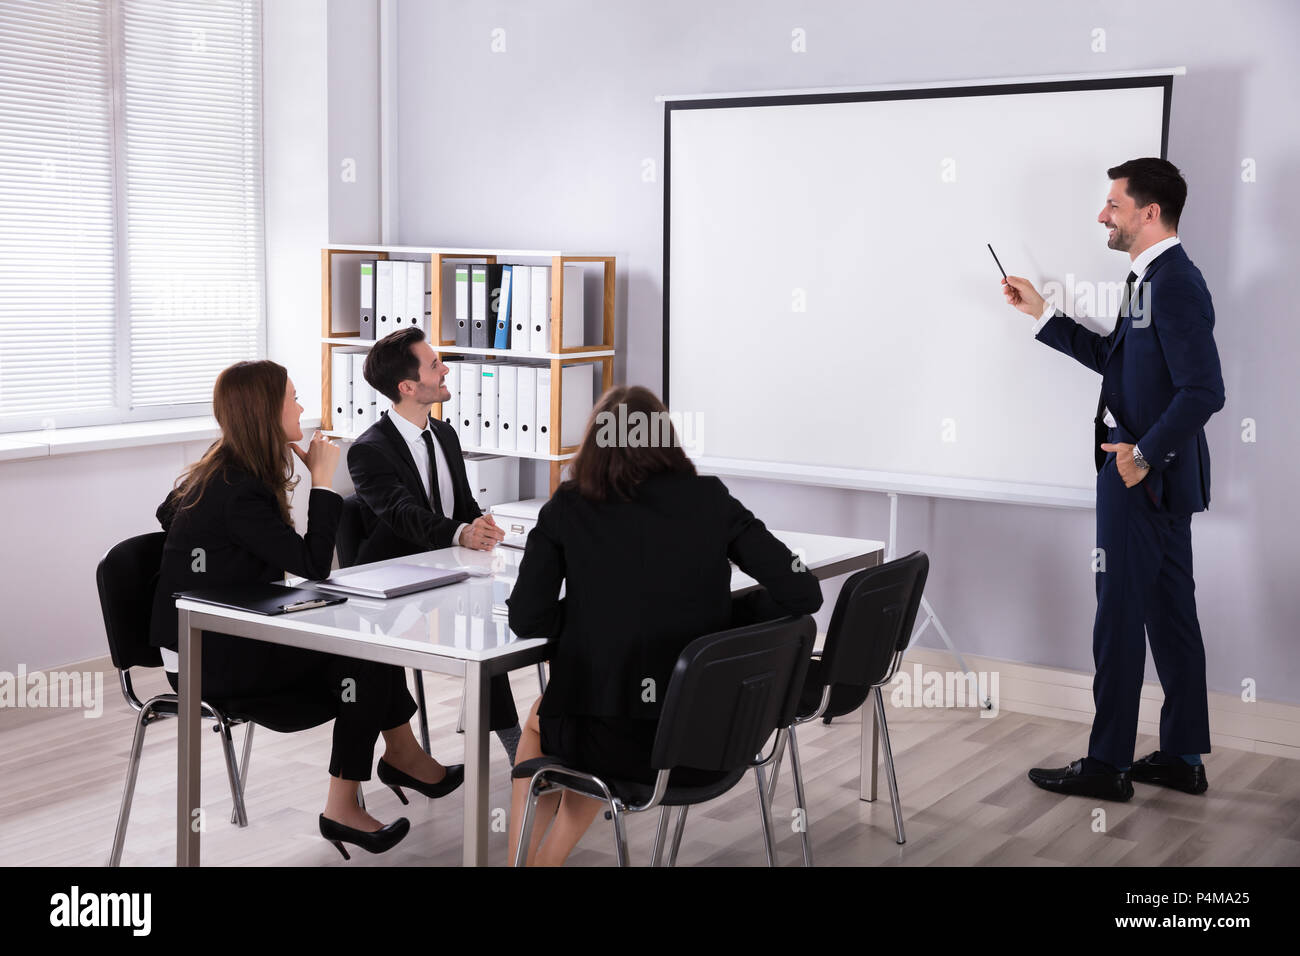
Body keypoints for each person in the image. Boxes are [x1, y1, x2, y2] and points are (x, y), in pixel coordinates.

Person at [150, 360, 464, 860]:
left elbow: (169, 513)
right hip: (206, 656)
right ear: (265, 414)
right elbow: (314, 565)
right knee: (362, 655)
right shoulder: (238, 489)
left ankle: (403, 756)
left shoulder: (223, 467)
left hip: (227, 632)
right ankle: (346, 804)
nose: (302, 408)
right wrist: (321, 482)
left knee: (369, 644)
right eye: (292, 399)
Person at [505, 385, 824, 866]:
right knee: (583, 718)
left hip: (622, 749)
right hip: (715, 741)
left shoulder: (569, 507)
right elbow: (803, 592)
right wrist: (721, 622)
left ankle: (527, 862)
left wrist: (591, 618)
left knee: (547, 720)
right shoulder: (711, 499)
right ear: (666, 439)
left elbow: (526, 618)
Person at [1002, 158, 1224, 801]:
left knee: (1120, 617)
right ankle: (1182, 758)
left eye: (1114, 204)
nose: (1104, 214)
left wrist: (1141, 456)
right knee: (1170, 613)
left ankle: (1107, 767)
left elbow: (1204, 391)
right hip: (1158, 480)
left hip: (1140, 477)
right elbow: (1118, 364)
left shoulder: (1173, 283)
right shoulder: (1153, 278)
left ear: (1148, 212)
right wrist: (1045, 315)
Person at [346, 328, 523, 762]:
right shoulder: (369, 451)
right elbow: (404, 515)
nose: (445, 370)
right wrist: (459, 533)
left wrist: (479, 522)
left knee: (505, 617)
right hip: (396, 588)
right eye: (434, 365)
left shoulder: (443, 434)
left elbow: (460, 504)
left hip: (450, 571)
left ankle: (522, 740)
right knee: (484, 628)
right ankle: (517, 745)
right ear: (408, 387)